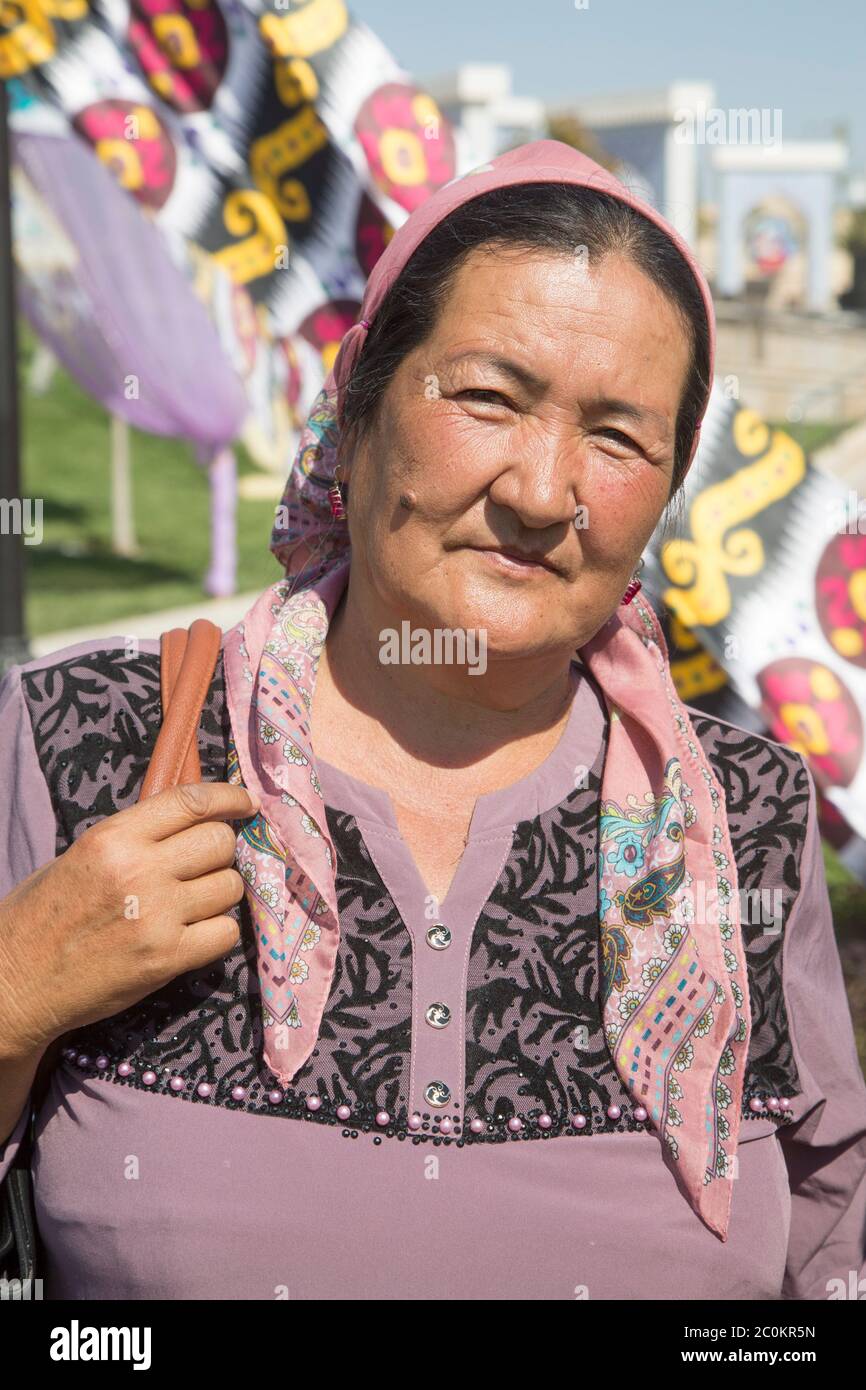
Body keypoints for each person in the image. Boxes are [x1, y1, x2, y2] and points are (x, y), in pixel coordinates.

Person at [1, 140, 864, 1301]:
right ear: (353, 412)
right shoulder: (79, 745)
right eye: (487, 398)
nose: (537, 492)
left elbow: (823, 1254)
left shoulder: (741, 813)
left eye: (616, 437)